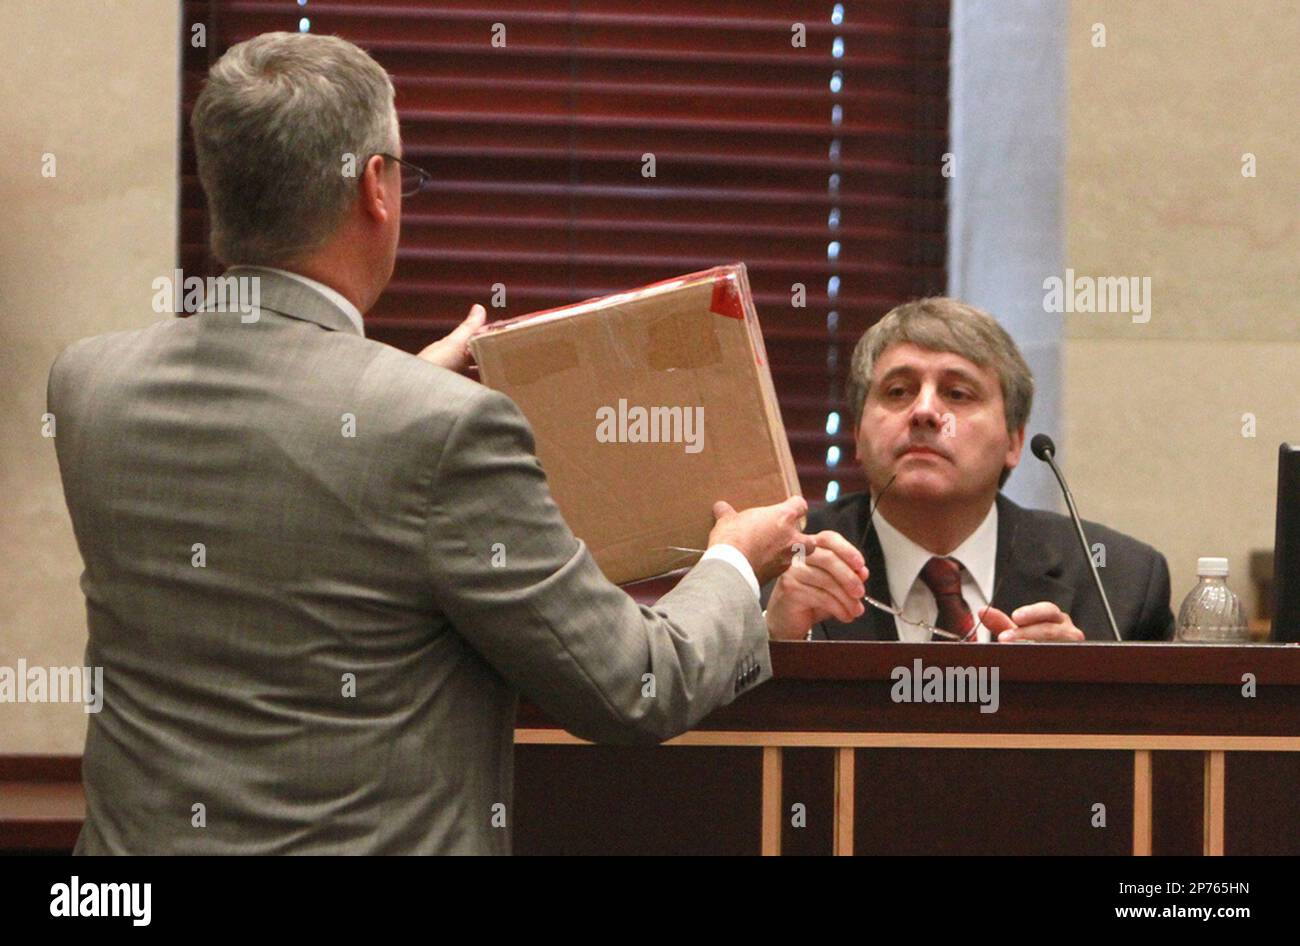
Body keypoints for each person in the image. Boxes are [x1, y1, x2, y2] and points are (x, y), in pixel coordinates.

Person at [47, 32, 814, 855]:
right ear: (375, 186)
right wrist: (733, 561)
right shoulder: (439, 430)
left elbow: (275, 501)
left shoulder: (91, 387)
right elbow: (635, 685)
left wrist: (391, 391)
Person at [765, 297, 1175, 643]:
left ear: (1014, 441)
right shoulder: (775, 570)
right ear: (856, 433)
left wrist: (1076, 695)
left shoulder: (1119, 583)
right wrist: (774, 641)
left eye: (957, 394)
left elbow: (1166, 734)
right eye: (897, 391)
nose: (924, 412)